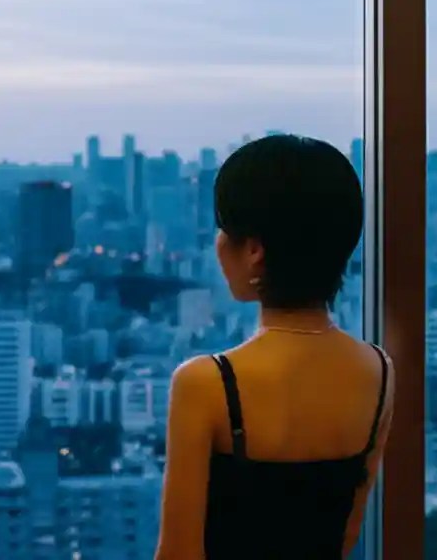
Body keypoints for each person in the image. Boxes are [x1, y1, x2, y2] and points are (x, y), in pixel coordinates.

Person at [155, 134, 394, 560]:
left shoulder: (207, 384)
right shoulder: (379, 372)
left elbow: (178, 553)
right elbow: (345, 535)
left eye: (224, 229)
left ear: (253, 250)